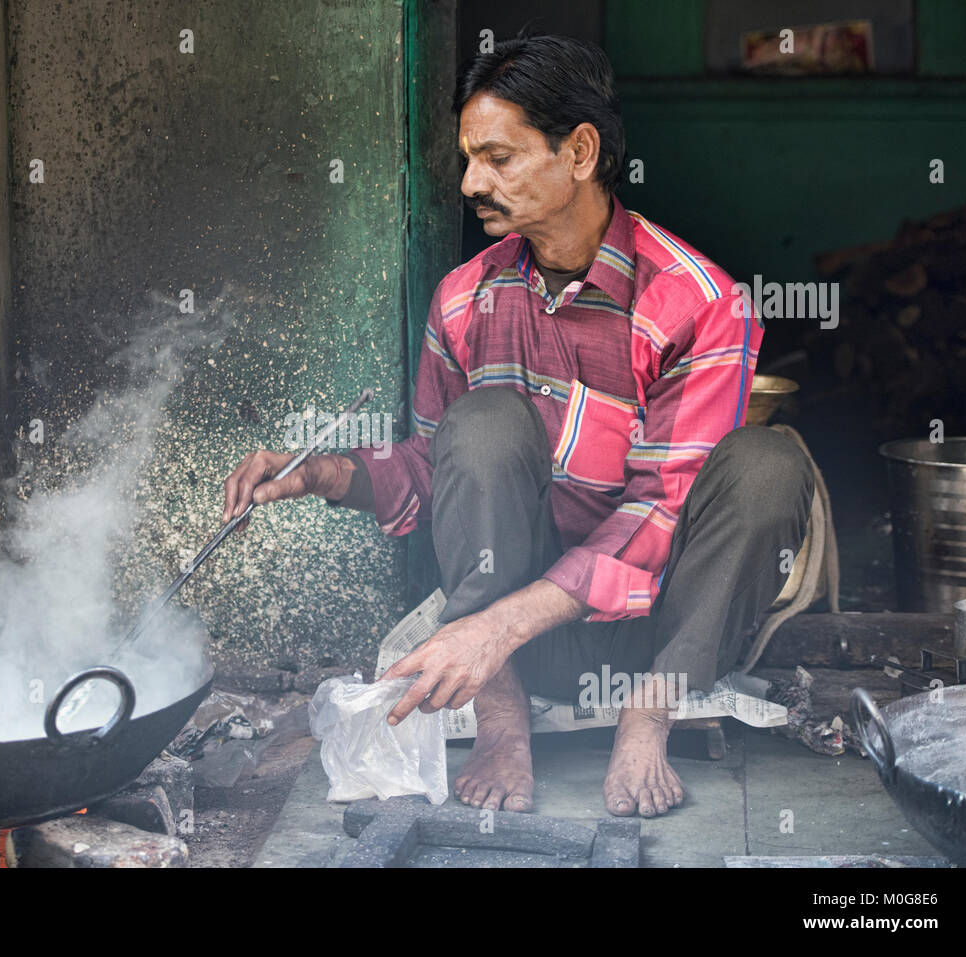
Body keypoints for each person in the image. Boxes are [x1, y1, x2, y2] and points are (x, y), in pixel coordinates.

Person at [222, 35, 812, 818]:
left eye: (497, 158)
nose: (471, 183)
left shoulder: (701, 301)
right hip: (521, 654)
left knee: (771, 464)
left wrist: (499, 624)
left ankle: (646, 718)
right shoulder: (465, 300)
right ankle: (504, 724)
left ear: (580, 152)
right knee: (484, 421)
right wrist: (324, 473)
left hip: (664, 641)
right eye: (468, 158)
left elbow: (663, 510)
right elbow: (436, 471)